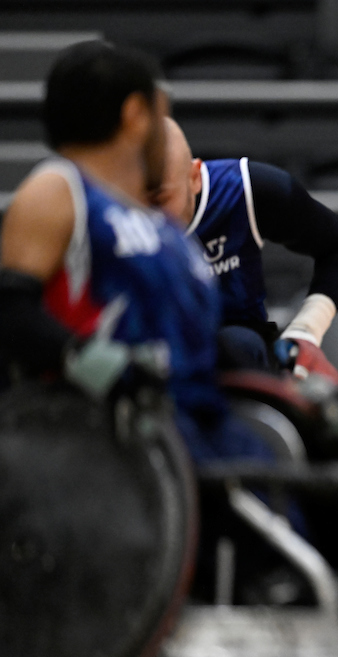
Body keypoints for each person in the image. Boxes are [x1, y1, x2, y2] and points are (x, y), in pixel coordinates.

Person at [0, 40, 263, 465]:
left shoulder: (159, 223)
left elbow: (200, 339)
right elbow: (11, 311)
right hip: (112, 440)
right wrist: (97, 363)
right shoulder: (58, 187)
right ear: (136, 115)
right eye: (163, 116)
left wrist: (282, 388)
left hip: (198, 424)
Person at [153, 118, 338, 387]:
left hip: (237, 348)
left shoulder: (245, 189)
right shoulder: (108, 213)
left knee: (238, 344)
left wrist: (306, 331)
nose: (145, 214)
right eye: (133, 196)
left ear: (194, 177)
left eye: (159, 199)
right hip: (154, 343)